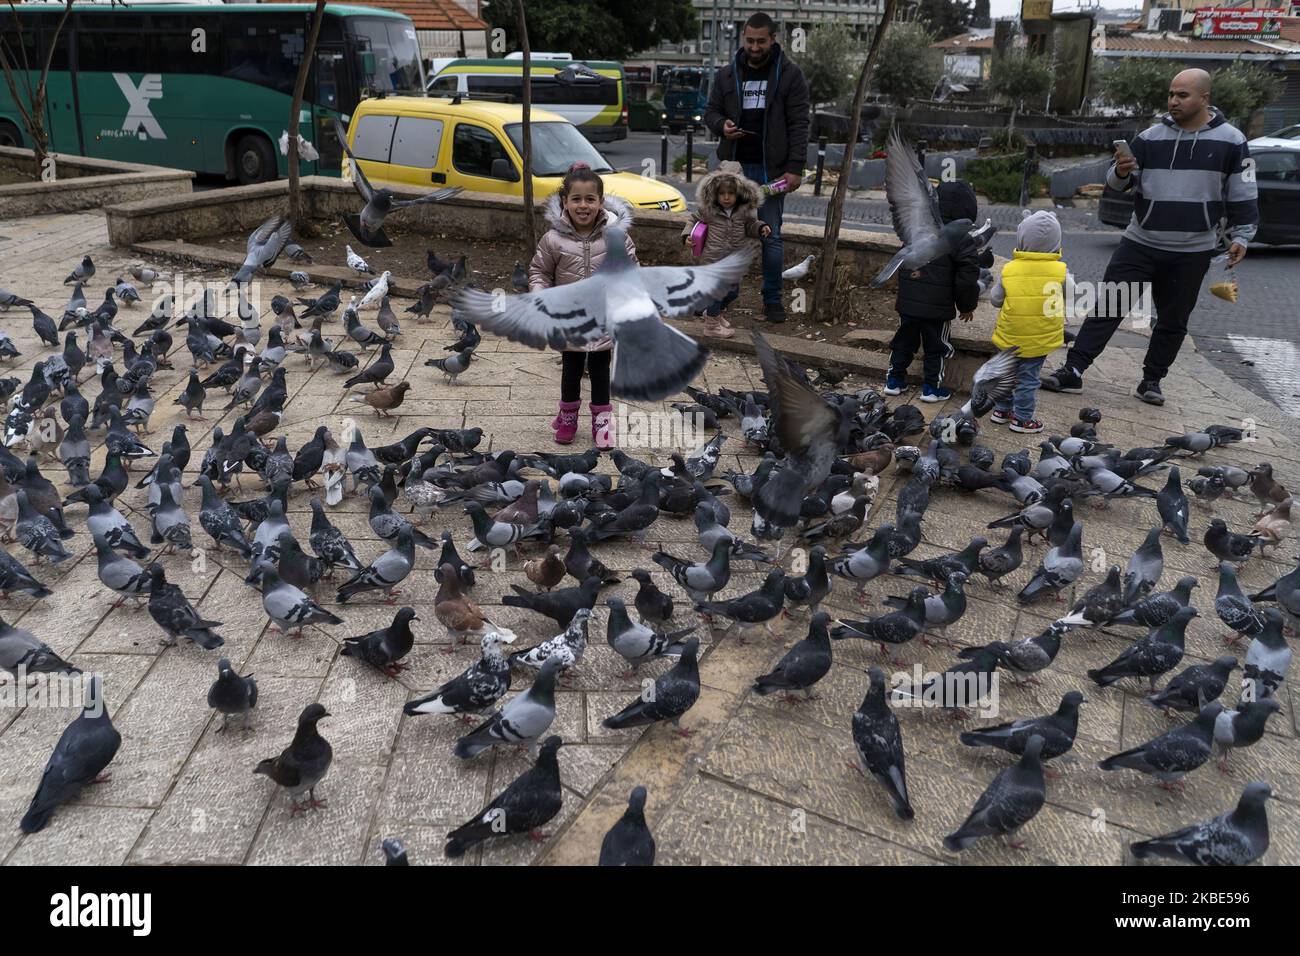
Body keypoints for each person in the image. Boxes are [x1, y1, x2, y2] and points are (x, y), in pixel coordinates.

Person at [1041, 68, 1258, 406]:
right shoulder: (1149, 137)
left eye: (1182, 95)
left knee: (1173, 321)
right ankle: (1073, 370)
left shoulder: (1232, 140)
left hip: (1192, 251)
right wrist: (1120, 171)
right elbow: (1117, 184)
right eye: (1171, 94)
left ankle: (1151, 381)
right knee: (1108, 307)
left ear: (1205, 98)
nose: (1174, 101)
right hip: (1140, 243)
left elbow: (1243, 192)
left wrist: (1242, 236)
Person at [703, 11, 809, 324]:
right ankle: (724, 296)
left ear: (773, 39)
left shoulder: (790, 75)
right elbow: (710, 112)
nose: (754, 46)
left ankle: (773, 299)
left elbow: (800, 124)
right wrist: (722, 126)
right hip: (734, 170)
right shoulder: (726, 74)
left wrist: (795, 168)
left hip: (773, 170)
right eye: (749, 40)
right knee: (728, 234)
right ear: (743, 38)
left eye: (761, 41)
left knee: (771, 236)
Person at [529, 163, 637, 449]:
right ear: (565, 202)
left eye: (590, 199)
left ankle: (602, 424)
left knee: (601, 371)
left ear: (601, 202)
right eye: (576, 199)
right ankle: (568, 417)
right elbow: (539, 272)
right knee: (571, 368)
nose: (583, 205)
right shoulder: (553, 239)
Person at [884, 180, 982, 402]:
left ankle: (894, 380)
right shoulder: (962, 238)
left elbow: (905, 262)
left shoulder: (918, 229)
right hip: (938, 309)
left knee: (903, 342)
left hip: (909, 304)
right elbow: (967, 279)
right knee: (936, 347)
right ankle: (931, 388)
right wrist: (966, 306)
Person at [986, 211, 1071, 434]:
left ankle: (1001, 410)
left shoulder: (1010, 269)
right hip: (1039, 338)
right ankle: (1022, 418)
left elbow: (995, 300)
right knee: (1028, 379)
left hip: (1009, 335)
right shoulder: (1061, 271)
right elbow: (1071, 294)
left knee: (1004, 374)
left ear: (1022, 238)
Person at [680, 160, 772, 338]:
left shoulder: (745, 211)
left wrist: (761, 228)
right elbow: (692, 219)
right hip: (713, 259)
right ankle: (712, 326)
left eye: (731, 193)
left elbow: (751, 226)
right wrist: (687, 235)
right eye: (722, 193)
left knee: (733, 291)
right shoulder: (709, 209)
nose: (727, 197)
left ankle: (713, 313)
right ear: (715, 192)